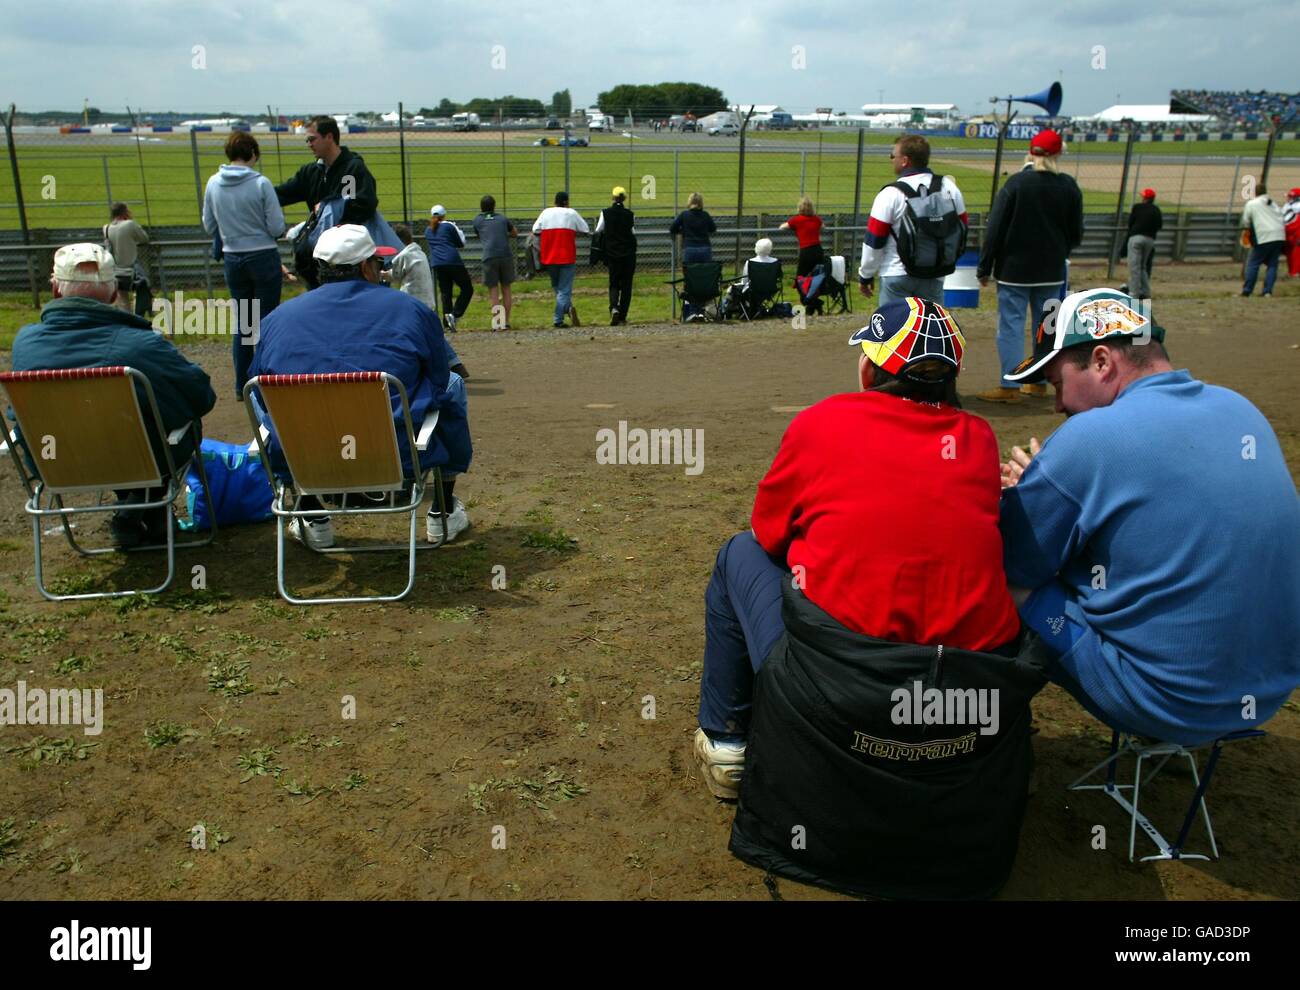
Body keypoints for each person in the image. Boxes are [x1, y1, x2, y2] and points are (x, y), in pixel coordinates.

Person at [698, 297, 1042, 899]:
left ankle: (728, 742)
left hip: (839, 688)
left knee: (737, 555)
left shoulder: (823, 422)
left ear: (869, 369)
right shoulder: (980, 440)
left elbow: (768, 532)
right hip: (964, 693)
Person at [1000, 288, 1300, 746]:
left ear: (1102, 361)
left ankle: (987, 743)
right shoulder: (1242, 411)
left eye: (1059, 383)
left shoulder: (1091, 436)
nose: (1057, 405)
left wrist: (1030, 494)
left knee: (1002, 578)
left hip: (1166, 704)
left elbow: (1019, 562)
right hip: (1267, 692)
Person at [248, 225, 472, 550]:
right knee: (452, 386)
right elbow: (439, 379)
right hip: (395, 454)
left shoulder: (275, 321)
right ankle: (442, 508)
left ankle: (310, 512)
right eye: (378, 264)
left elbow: (259, 393)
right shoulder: (411, 310)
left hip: (306, 456)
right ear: (367, 267)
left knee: (260, 394)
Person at [9, 243, 215, 547]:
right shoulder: (142, 346)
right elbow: (201, 397)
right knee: (172, 426)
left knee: (113, 429)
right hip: (137, 460)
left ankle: (139, 510)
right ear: (112, 292)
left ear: (55, 289)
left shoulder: (24, 344)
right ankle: (142, 505)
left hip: (55, 464)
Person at [976, 129, 1084, 405]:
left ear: (1030, 151)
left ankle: (1010, 384)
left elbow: (995, 229)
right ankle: (1039, 381)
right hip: (1051, 270)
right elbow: (1076, 233)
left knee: (1011, 327)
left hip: (1014, 271)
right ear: (1058, 154)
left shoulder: (1016, 184)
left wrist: (984, 267)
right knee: (1046, 327)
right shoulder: (1068, 186)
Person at [202, 131, 287, 401]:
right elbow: (276, 226)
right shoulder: (261, 183)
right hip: (262, 255)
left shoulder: (213, 183)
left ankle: (243, 384)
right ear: (252, 153)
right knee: (267, 321)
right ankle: (267, 381)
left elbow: (208, 224)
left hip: (232, 257)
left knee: (245, 322)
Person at [857, 134, 968, 307]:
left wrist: (866, 274)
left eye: (893, 156)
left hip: (896, 272)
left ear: (904, 161)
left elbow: (874, 240)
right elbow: (961, 228)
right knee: (930, 330)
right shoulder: (950, 188)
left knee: (895, 331)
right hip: (935, 274)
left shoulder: (890, 194)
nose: (891, 159)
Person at [275, 116, 378, 287]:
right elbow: (282, 194)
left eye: (312, 139)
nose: (309, 144)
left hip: (347, 259)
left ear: (329, 137)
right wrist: (256, 193)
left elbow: (359, 205)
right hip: (318, 258)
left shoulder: (351, 169)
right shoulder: (310, 172)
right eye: (307, 140)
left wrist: (327, 207)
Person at [389, 224, 469, 380]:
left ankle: (418, 369)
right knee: (434, 335)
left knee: (408, 334)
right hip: (427, 302)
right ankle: (456, 365)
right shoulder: (420, 253)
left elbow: (395, 275)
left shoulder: (403, 256)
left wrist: (381, 274)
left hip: (411, 305)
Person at [532, 190, 589, 328]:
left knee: (557, 287)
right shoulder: (571, 213)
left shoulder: (545, 212)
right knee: (564, 290)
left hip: (549, 256)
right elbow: (585, 229)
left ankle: (567, 308)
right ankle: (558, 319)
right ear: (566, 202)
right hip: (566, 256)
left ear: (555, 202)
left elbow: (535, 230)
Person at [472, 195, 518, 330]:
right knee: (506, 289)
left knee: (493, 290)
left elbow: (479, 234)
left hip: (489, 256)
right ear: (494, 206)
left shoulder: (478, 220)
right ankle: (507, 322)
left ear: (481, 208)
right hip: (505, 255)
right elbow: (514, 232)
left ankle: (498, 323)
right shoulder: (502, 219)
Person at [426, 205, 473, 331]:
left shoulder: (428, 230)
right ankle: (455, 314)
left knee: (446, 292)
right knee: (467, 288)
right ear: (444, 215)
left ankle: (447, 323)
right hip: (452, 260)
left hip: (437, 263)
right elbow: (461, 243)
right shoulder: (449, 226)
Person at [595, 186, 637, 325]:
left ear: (613, 198)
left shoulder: (605, 213)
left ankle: (614, 308)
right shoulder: (630, 214)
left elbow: (598, 229)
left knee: (613, 283)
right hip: (628, 255)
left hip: (612, 254)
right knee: (627, 285)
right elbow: (633, 232)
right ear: (624, 198)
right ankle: (623, 315)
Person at [102, 202, 150, 316]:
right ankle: (139, 318)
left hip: (115, 271)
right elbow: (144, 238)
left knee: (123, 299)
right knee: (144, 287)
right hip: (131, 269)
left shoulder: (106, 228)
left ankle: (128, 321)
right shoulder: (130, 224)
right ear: (124, 212)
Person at [1240, 183, 1286, 297]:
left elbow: (1246, 221)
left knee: (1253, 263)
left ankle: (1247, 290)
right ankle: (1268, 291)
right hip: (1279, 235)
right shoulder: (1273, 203)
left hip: (1264, 236)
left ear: (1255, 192)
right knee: (1272, 264)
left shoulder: (1251, 204)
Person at [1123, 188, 1162, 301]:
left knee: (1134, 267)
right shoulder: (1156, 210)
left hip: (1136, 238)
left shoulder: (1137, 207)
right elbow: (1159, 225)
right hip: (1150, 240)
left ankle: (1133, 294)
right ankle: (1146, 291)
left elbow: (1131, 223)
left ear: (1145, 198)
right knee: (1143, 267)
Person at [779, 196, 823, 276]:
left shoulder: (797, 220)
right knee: (818, 275)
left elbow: (782, 227)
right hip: (818, 249)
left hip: (806, 250)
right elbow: (823, 226)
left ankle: (803, 288)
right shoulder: (817, 219)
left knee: (802, 276)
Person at [670, 191, 716, 265]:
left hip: (689, 248)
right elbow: (713, 228)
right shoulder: (705, 215)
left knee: (690, 274)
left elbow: (672, 228)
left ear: (689, 202)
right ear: (701, 202)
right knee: (706, 274)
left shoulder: (684, 215)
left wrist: (682, 231)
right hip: (704, 248)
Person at [1283, 187, 1300, 279]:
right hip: (1289, 232)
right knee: (1290, 253)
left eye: (1291, 197)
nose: (1288, 198)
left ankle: (1294, 272)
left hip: (1296, 233)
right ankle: (1292, 271)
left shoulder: (1296, 206)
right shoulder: (1289, 206)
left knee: (1296, 253)